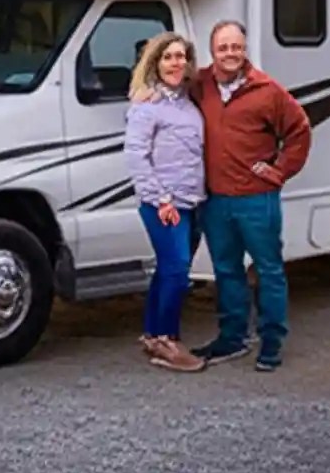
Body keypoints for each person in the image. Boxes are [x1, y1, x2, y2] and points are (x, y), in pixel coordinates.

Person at [192, 20, 311, 372]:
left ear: (245, 50)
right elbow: (164, 82)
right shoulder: (201, 85)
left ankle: (271, 342)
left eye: (236, 47)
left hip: (257, 200)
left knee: (268, 271)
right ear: (212, 52)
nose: (230, 54)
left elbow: (299, 131)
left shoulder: (268, 91)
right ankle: (232, 338)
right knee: (226, 271)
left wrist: (279, 170)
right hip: (216, 201)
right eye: (223, 48)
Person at [123, 31, 207, 372]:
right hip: (165, 203)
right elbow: (137, 156)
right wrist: (161, 200)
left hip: (192, 200)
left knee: (169, 268)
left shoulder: (186, 102)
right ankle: (168, 342)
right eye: (169, 57)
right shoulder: (147, 106)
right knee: (176, 269)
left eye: (181, 56)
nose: (177, 63)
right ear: (155, 63)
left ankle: (152, 334)